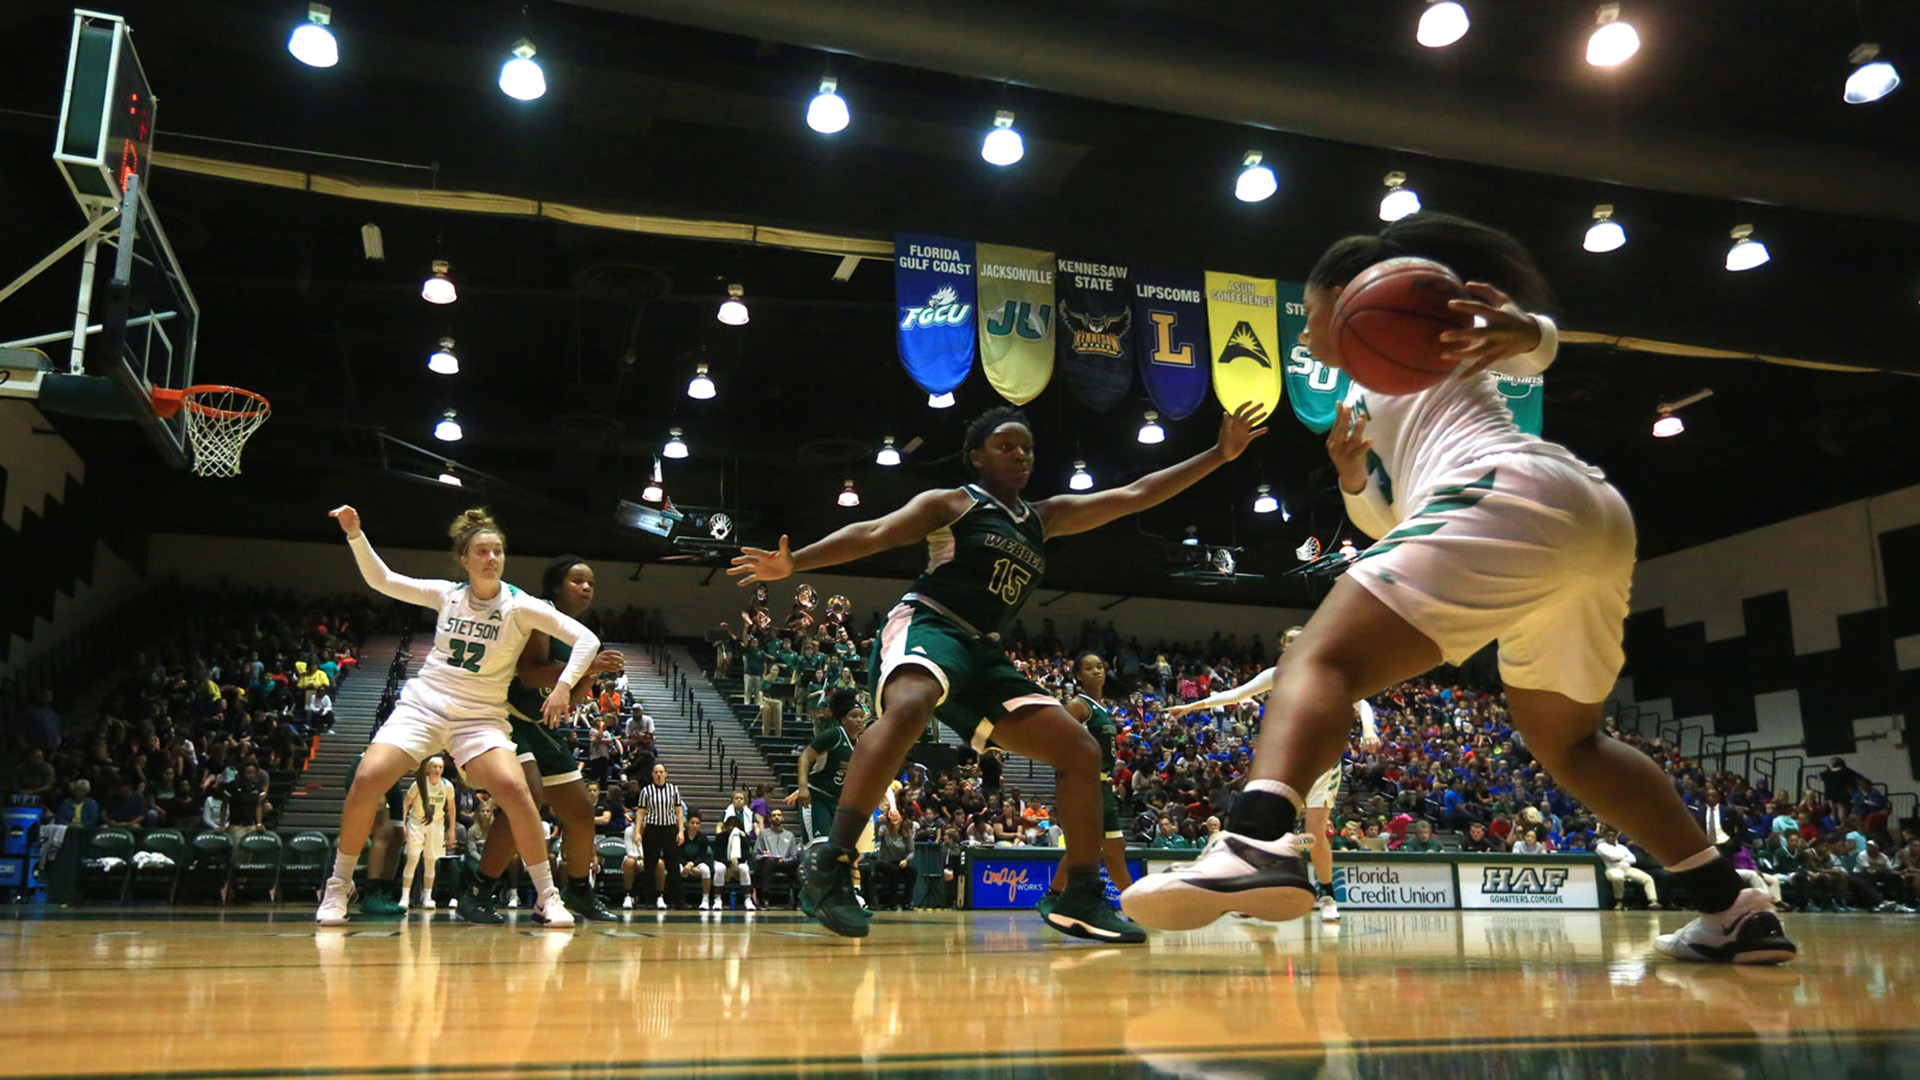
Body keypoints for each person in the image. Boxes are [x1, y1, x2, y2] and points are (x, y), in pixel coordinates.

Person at [1119, 213, 1795, 965]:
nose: (1304, 336)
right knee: (1574, 744)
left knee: (1320, 657)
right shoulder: (1377, 387)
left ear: (1353, 298)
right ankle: (1734, 908)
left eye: (1310, 316)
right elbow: (1401, 523)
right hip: (1580, 517)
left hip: (1508, 492)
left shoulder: (1417, 321)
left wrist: (1525, 331)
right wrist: (1351, 477)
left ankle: (1256, 840)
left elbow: (1525, 344)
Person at [732, 401, 1266, 941]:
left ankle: (1076, 894)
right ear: (976, 457)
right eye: (1005, 446)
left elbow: (1134, 496)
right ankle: (831, 864)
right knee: (912, 705)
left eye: (1027, 448)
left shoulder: (1045, 516)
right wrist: (796, 561)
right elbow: (875, 533)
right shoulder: (953, 504)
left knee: (1080, 750)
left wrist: (1218, 455)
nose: (1020, 456)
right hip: (930, 625)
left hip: (984, 654)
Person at [317, 506, 599, 928]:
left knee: (517, 792)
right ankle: (339, 886)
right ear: (465, 560)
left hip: (480, 717)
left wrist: (562, 687)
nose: (491, 558)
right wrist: (356, 534)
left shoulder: (521, 606)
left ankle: (548, 897)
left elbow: (586, 639)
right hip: (425, 705)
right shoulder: (446, 594)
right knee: (367, 778)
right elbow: (383, 580)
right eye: (482, 551)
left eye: (498, 552)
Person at [1168, 625, 1380, 923]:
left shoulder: (1326, 670)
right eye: (1289, 641)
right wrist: (1191, 706)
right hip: (1286, 759)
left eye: (1300, 640)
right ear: (1282, 646)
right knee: (1263, 831)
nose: (1296, 645)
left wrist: (1368, 729)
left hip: (1321, 762)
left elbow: (1362, 702)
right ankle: (1257, 897)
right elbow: (1235, 694)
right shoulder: (1274, 675)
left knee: (1315, 834)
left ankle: (1328, 896)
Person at [462, 554, 625, 924]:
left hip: (539, 724)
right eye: (577, 581)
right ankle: (478, 890)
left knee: (580, 809)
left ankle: (579, 891)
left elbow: (573, 696)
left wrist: (588, 676)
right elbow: (530, 675)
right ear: (555, 586)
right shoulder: (540, 616)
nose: (586, 588)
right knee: (529, 797)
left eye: (591, 584)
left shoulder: (575, 631)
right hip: (506, 717)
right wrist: (585, 666)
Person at [1042, 653, 1142, 928]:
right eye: (1089, 668)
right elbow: (1055, 740)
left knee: (1098, 849)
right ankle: (1134, 904)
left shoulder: (1102, 707)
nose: (1097, 671)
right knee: (1108, 849)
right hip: (1088, 786)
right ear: (1078, 676)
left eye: (1100, 666)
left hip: (1103, 785)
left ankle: (1052, 896)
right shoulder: (1078, 705)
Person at [787, 691, 866, 844]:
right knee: (818, 849)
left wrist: (861, 702)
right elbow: (805, 757)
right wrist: (802, 788)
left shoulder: (861, 744)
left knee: (839, 852)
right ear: (843, 720)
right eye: (854, 716)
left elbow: (869, 711)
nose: (859, 720)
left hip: (839, 802)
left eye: (861, 717)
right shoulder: (833, 735)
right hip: (817, 798)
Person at [398, 756, 456, 910]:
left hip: (436, 824)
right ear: (428, 768)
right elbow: (405, 804)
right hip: (417, 823)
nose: (437, 770)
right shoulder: (418, 784)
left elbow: (451, 809)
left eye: (440, 767)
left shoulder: (447, 786)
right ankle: (405, 896)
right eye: (435, 767)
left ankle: (428, 897)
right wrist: (402, 825)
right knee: (413, 859)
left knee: (431, 861)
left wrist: (451, 830)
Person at [635, 763, 685, 910]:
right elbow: (640, 813)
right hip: (652, 830)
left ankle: (678, 901)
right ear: (652, 774)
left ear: (666, 774)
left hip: (670, 830)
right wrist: (638, 832)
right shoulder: (646, 791)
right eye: (656, 772)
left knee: (673, 867)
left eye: (661, 772)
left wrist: (681, 831)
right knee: (650, 866)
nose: (658, 775)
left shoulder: (673, 789)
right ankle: (649, 900)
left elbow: (679, 812)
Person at [1596, 826, 1660, 909]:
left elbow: (1633, 859)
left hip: (1627, 868)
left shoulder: (1621, 847)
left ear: (1616, 837)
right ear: (1605, 837)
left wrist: (1619, 858)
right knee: (1617, 877)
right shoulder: (1601, 846)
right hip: (1613, 868)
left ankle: (1653, 901)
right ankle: (1619, 901)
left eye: (1612, 836)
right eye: (1608, 836)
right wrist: (1624, 857)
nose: (1610, 838)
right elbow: (1612, 857)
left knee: (1647, 878)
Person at [752, 809, 802, 910]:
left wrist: (784, 860)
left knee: (797, 863)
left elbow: (793, 856)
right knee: (769, 862)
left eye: (779, 815)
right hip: (769, 863)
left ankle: (798, 900)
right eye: (774, 815)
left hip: (784, 863)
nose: (777, 817)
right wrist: (765, 856)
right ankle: (765, 898)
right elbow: (756, 854)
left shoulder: (790, 835)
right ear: (770, 819)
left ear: (783, 818)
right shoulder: (763, 834)